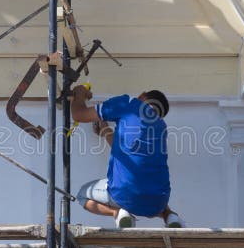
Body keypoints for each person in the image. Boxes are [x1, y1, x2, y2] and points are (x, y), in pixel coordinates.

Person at [71, 85, 184, 228]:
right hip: (158, 202)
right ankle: (170, 216)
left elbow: (79, 114)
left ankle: (117, 213)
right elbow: (124, 150)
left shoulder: (128, 103)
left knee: (82, 195)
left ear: (142, 96)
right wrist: (105, 129)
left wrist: (79, 94)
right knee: (150, 188)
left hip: (124, 195)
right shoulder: (161, 127)